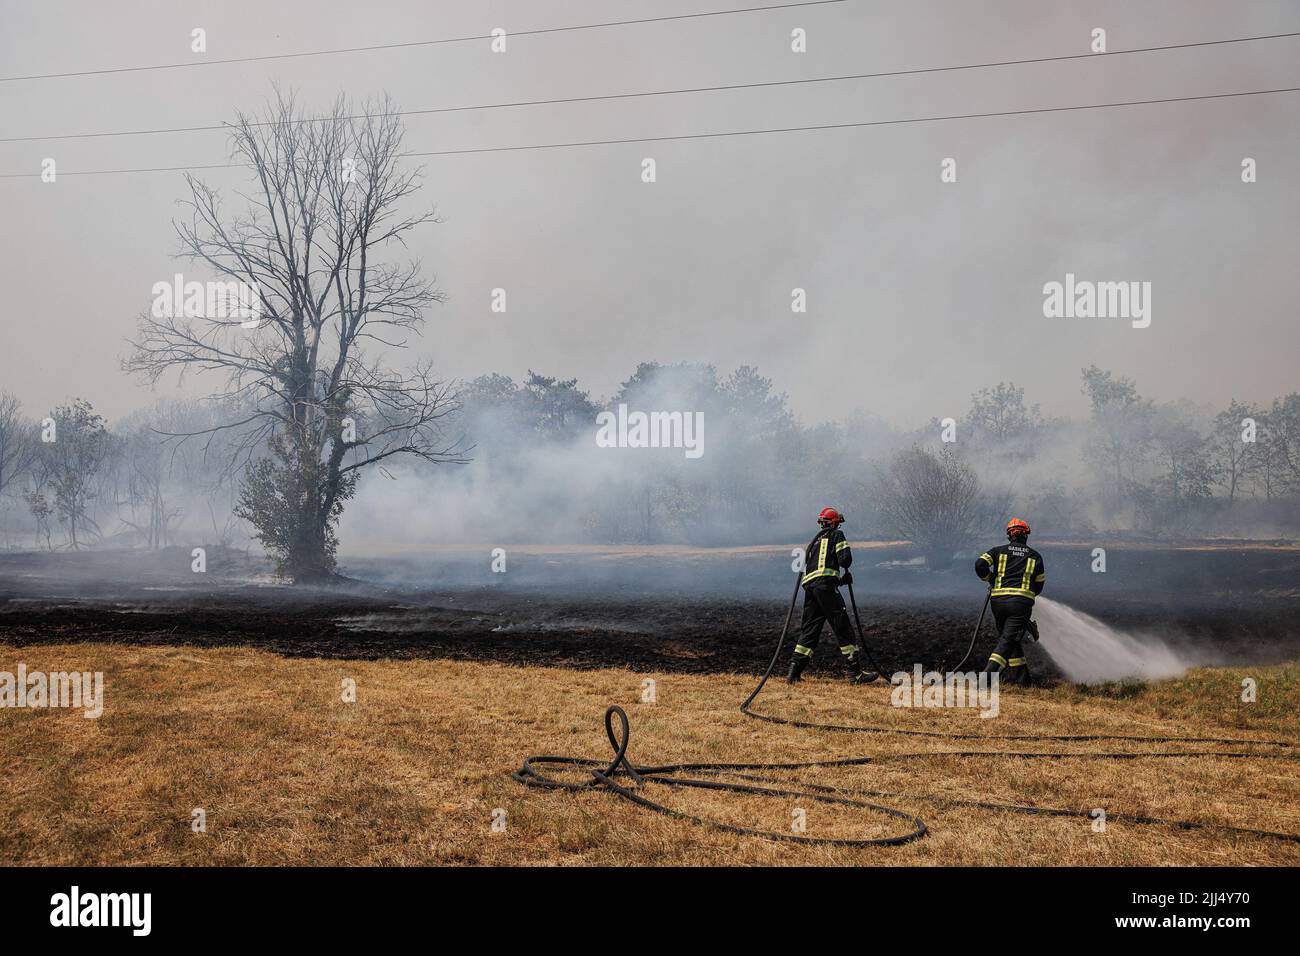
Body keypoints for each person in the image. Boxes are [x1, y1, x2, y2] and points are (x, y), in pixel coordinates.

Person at [787, 507, 878, 684]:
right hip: (825, 588)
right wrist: (844, 568)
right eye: (837, 522)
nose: (838, 525)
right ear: (834, 522)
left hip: (811, 589)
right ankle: (855, 674)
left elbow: (820, 573)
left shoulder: (814, 543)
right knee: (843, 627)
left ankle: (793, 673)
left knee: (810, 630)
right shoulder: (837, 535)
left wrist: (842, 581)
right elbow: (845, 560)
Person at [974, 517, 1045, 685]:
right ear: (1026, 535)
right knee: (1007, 642)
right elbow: (1039, 585)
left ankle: (1023, 681)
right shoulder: (1035, 556)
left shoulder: (997, 551)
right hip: (1020, 604)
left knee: (1009, 640)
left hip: (998, 603)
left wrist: (990, 578)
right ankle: (986, 679)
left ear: (1009, 535)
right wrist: (1026, 597)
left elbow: (979, 564)